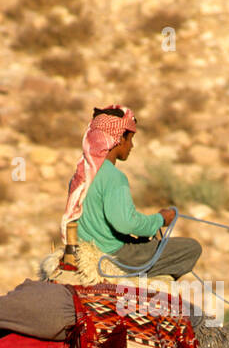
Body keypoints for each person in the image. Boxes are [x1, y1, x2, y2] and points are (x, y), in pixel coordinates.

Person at [60, 105, 202, 280]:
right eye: (130, 139)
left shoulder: (81, 173)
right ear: (119, 139)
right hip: (114, 253)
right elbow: (124, 223)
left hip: (86, 249)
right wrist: (160, 220)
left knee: (148, 243)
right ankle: (149, 282)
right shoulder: (114, 177)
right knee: (191, 248)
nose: (131, 145)